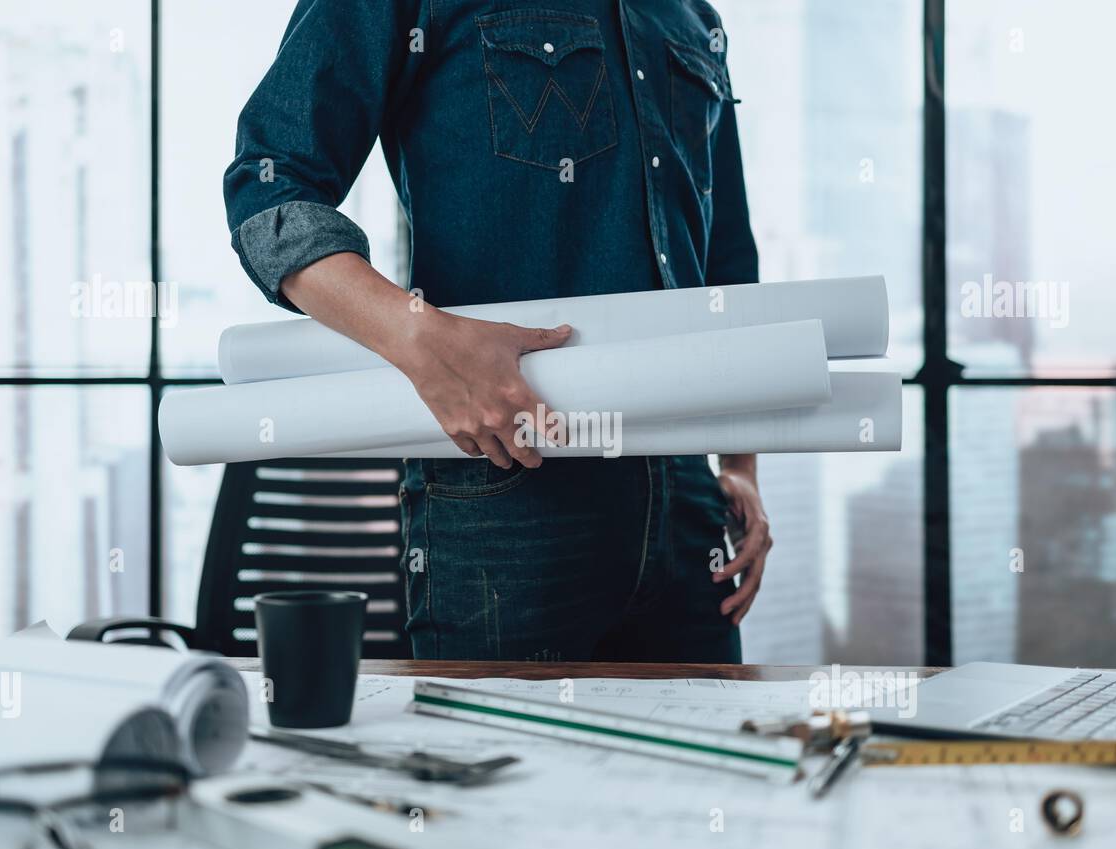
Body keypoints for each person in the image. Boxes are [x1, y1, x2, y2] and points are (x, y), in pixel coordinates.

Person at [224, 0, 771, 662]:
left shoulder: (691, 16)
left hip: (688, 495)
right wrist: (420, 339)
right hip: (509, 483)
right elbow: (271, 191)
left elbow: (728, 262)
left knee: (707, 760)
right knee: (496, 757)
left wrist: (740, 465)